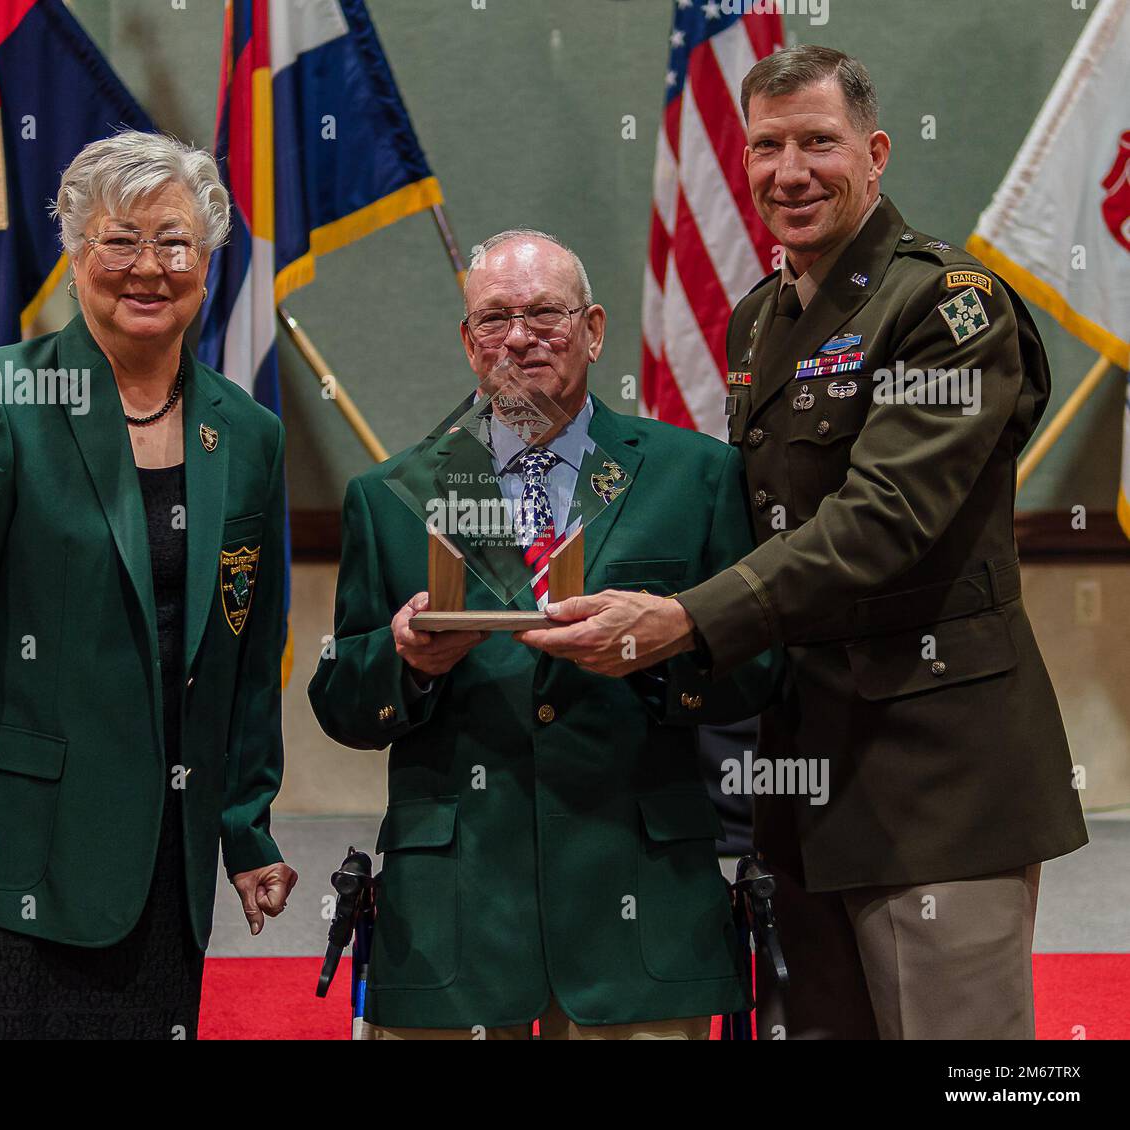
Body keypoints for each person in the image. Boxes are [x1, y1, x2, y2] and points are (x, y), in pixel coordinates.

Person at [518, 47, 1087, 1040]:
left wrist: (686, 618)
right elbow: (750, 515)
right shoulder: (757, 321)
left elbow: (883, 520)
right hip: (799, 772)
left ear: (873, 155)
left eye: (817, 143)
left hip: (933, 776)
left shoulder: (947, 309)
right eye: (767, 146)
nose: (790, 171)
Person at [308, 229, 777, 1040]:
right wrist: (407, 664)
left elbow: (763, 671)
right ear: (467, 341)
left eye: (544, 314)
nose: (518, 338)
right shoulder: (390, 495)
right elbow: (343, 700)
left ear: (593, 329)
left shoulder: (695, 475)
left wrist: (662, 647)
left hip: (640, 909)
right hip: (455, 921)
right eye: (493, 318)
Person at [0, 130, 297, 1040]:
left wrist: (246, 823)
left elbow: (245, 648)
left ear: (209, 260)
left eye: (177, 242)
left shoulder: (248, 433)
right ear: (75, 251)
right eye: (120, 240)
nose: (149, 267)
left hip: (164, 868)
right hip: (9, 869)